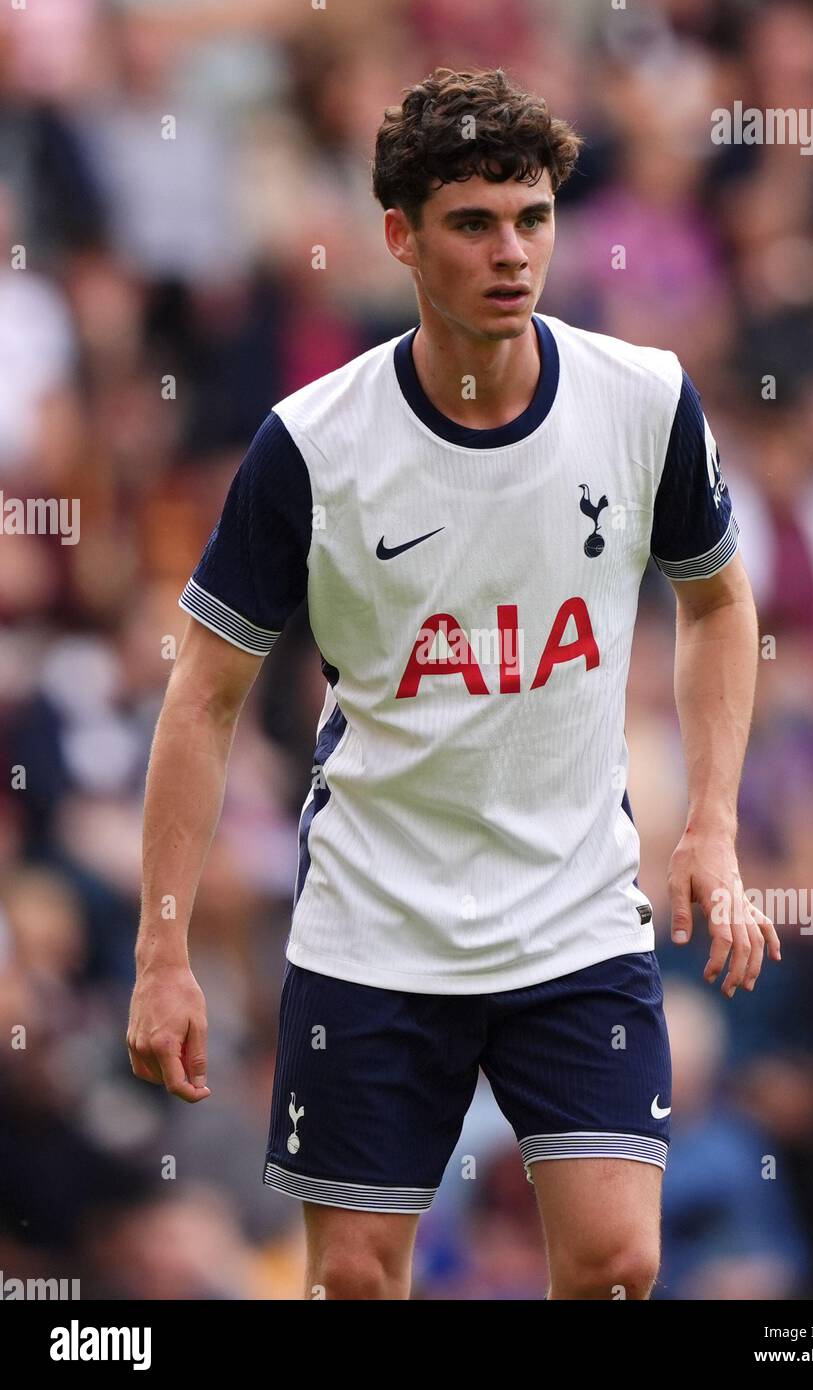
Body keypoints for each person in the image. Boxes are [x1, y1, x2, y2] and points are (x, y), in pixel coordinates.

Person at [127, 66, 780, 1301]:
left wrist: (713, 824)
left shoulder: (645, 401)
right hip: (376, 920)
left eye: (532, 219)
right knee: (358, 1284)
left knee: (619, 1264)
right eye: (473, 223)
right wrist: (166, 950)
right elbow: (203, 698)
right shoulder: (313, 443)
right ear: (400, 238)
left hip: (573, 909)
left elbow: (718, 598)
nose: (511, 252)